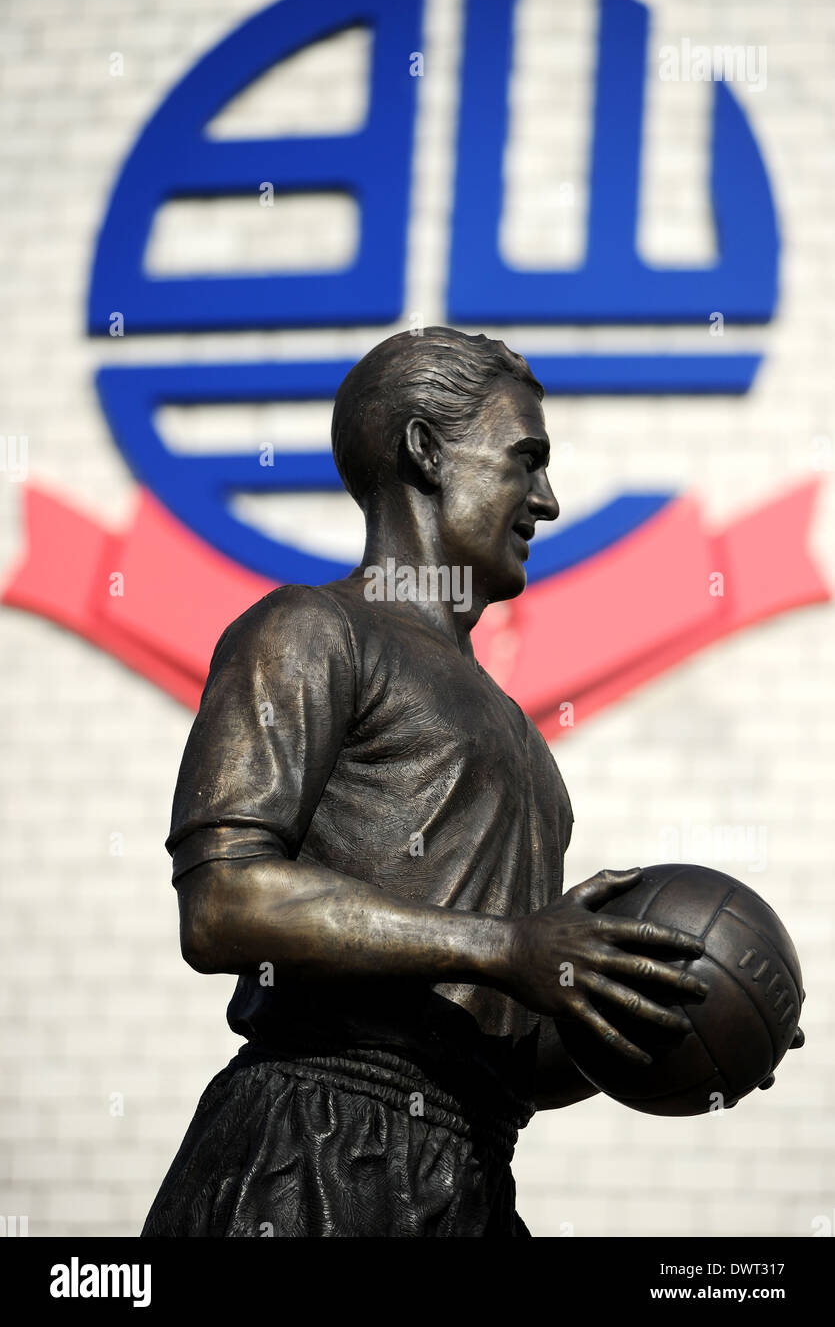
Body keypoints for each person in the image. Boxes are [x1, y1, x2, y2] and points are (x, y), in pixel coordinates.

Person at [141, 326, 708, 1238]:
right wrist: (503, 944)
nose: (548, 501)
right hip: (311, 1149)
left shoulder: (526, 747)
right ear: (425, 451)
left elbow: (505, 1058)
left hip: (473, 1179)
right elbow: (222, 904)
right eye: (524, 461)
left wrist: (667, 1015)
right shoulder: (312, 631)